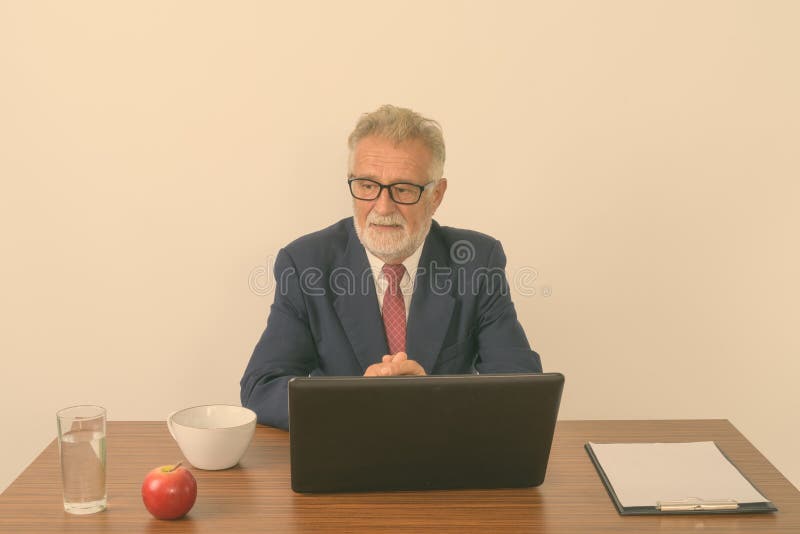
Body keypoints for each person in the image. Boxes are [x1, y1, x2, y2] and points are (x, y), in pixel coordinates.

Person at [240, 105, 542, 429]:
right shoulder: (305, 264)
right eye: (368, 186)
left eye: (403, 190)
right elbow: (262, 386)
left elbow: (522, 389)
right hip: (345, 457)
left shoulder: (478, 262)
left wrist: (434, 397)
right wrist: (355, 401)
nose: (382, 208)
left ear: (436, 195)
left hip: (444, 456)